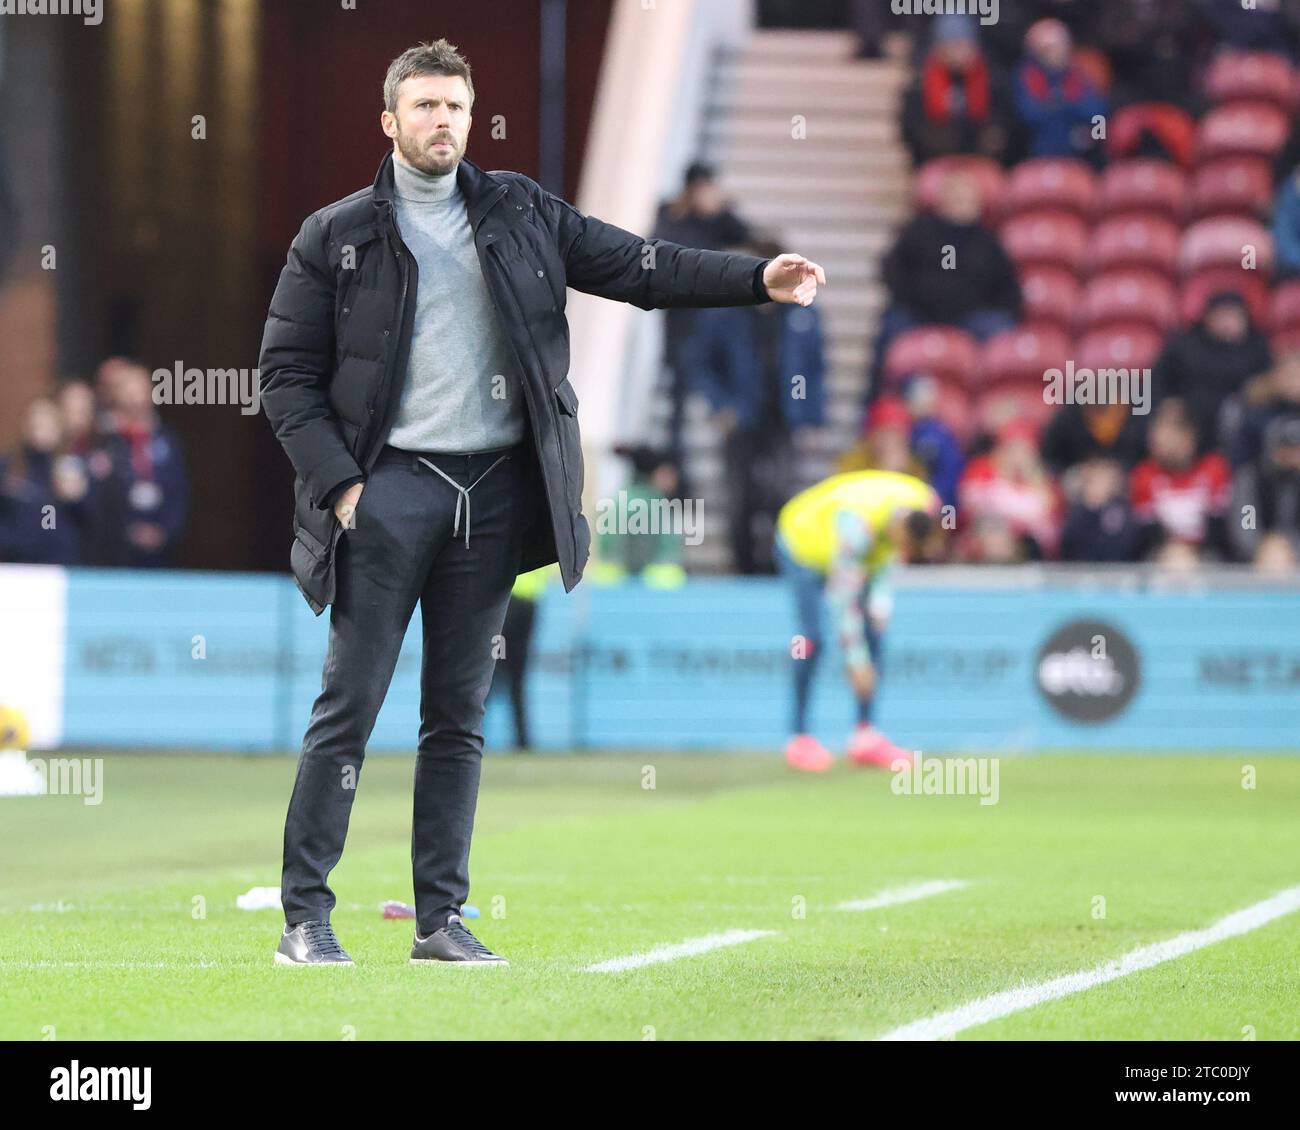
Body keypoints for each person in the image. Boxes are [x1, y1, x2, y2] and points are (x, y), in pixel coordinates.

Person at [258, 39, 826, 966]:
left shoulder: (521, 210)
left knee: (459, 715)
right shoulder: (338, 234)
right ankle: (305, 920)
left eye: (455, 106)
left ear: (471, 117)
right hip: (388, 489)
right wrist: (347, 486)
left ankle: (439, 920)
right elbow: (284, 378)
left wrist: (753, 280)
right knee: (348, 708)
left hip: (492, 494)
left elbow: (641, 268)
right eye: (425, 106)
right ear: (390, 122)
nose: (442, 121)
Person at [773, 469, 941, 774]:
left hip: (851, 551)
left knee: (875, 629)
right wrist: (857, 662)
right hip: (801, 541)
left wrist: (880, 605)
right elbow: (842, 600)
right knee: (810, 639)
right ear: (898, 527)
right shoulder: (856, 528)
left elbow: (888, 559)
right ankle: (799, 739)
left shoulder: (926, 504)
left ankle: (865, 736)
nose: (903, 552)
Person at [679, 237, 826, 573]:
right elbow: (699, 362)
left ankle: (778, 562)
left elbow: (814, 369)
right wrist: (720, 405)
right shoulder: (725, 313)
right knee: (740, 495)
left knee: (783, 492)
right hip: (741, 418)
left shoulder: (802, 312)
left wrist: (812, 417)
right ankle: (743, 566)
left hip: (785, 417)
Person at [872, 170, 1020, 388]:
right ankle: (879, 399)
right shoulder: (918, 231)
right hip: (918, 313)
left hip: (971, 317)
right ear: (941, 200)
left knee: (999, 330)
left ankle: (985, 398)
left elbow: (1007, 287)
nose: (960, 204)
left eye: (966, 198)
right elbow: (892, 270)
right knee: (892, 324)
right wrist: (914, 298)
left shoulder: (988, 241)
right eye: (955, 197)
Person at [652, 162, 755, 472]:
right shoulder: (672, 218)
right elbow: (662, 259)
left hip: (712, 325)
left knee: (721, 395)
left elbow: (746, 234)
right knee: (678, 409)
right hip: (683, 325)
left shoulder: (716, 220)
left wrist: (722, 209)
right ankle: (676, 475)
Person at [1012, 18, 1107, 165]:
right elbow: (1029, 114)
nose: (1054, 54)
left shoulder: (1078, 73)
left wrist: (1058, 104)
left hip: (1080, 155)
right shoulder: (1027, 75)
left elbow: (1097, 112)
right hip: (1034, 155)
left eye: (1058, 47)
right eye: (1047, 49)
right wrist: (1068, 105)